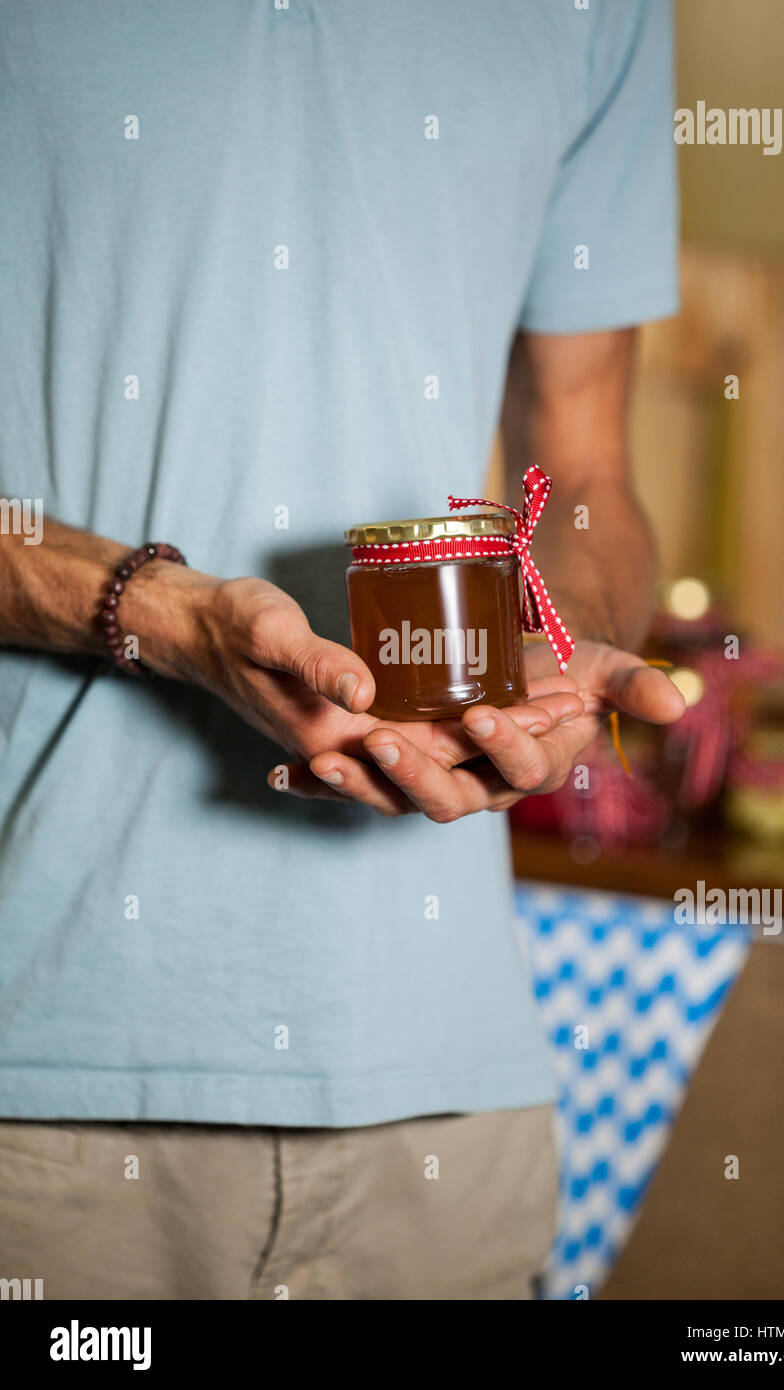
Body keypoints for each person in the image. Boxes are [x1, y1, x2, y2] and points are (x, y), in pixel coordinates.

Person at [0, 0, 683, 1300]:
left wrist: (565, 633)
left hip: (442, 1114)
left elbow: (585, 467)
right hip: (41, 1094)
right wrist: (165, 612)